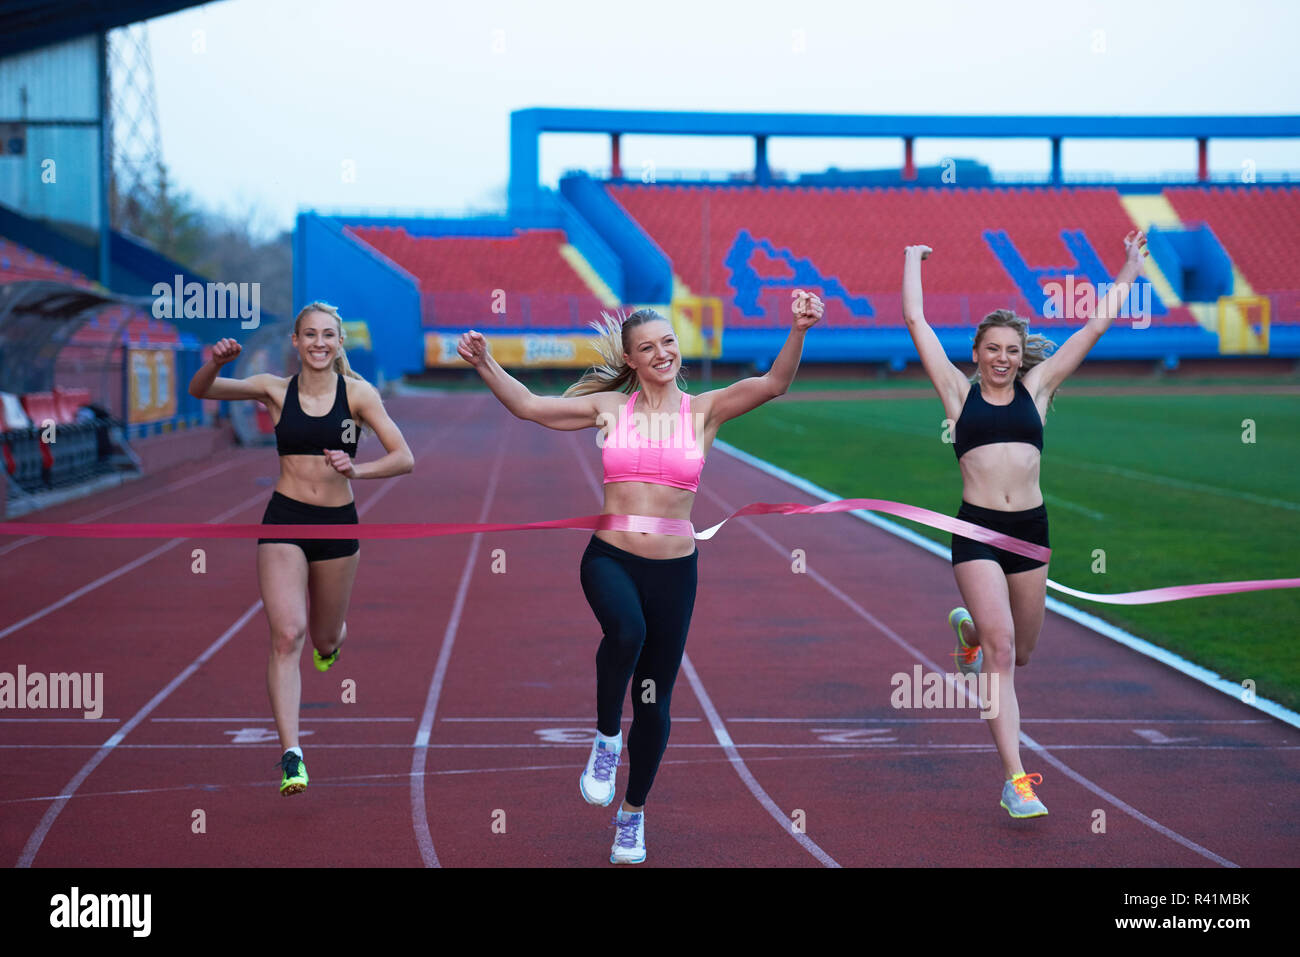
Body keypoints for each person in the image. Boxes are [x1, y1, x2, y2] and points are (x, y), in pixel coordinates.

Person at [457, 291, 823, 862]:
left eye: (669, 342)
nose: (662, 353)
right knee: (625, 632)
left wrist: (798, 329)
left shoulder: (705, 410)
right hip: (611, 557)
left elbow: (775, 383)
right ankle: (605, 739)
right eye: (648, 347)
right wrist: (485, 364)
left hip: (674, 573)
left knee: (654, 702)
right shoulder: (608, 409)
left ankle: (633, 814)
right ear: (630, 359)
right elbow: (530, 406)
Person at [900, 232, 1147, 818]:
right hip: (978, 532)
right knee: (1004, 649)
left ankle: (970, 634)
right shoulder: (957, 394)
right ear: (979, 352)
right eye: (993, 349)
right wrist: (913, 258)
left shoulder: (1038, 390)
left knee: (1025, 652)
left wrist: (1129, 269)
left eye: (1012, 349)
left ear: (1020, 354)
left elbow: (1092, 330)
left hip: (1031, 533)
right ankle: (1016, 779)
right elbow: (916, 320)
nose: (1004, 358)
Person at [188, 301, 414, 795]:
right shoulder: (273, 388)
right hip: (285, 519)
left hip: (337, 525)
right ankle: (292, 753)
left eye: (327, 335)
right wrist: (217, 362)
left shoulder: (358, 394)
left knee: (322, 639)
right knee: (286, 635)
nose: (318, 343)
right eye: (309, 335)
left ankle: (331, 642)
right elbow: (201, 389)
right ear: (295, 342)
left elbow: (404, 458)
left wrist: (358, 470)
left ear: (338, 342)